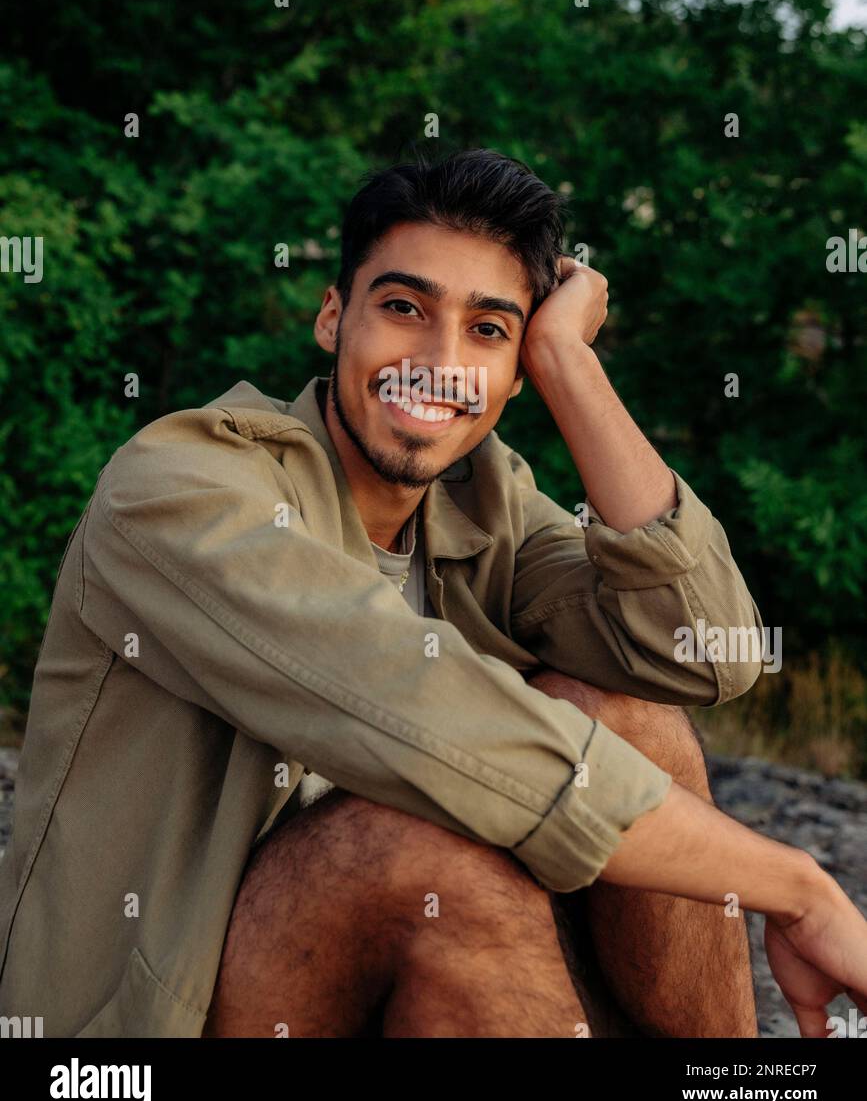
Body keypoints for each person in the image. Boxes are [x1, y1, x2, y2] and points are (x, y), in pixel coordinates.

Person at [1, 149, 864, 1039]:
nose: (441, 363)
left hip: (370, 995)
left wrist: (570, 361)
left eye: (489, 331)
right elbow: (425, 716)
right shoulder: (181, 486)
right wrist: (794, 887)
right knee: (417, 854)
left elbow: (708, 648)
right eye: (404, 309)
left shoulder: (485, 510)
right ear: (333, 316)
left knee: (630, 721)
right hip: (136, 1042)